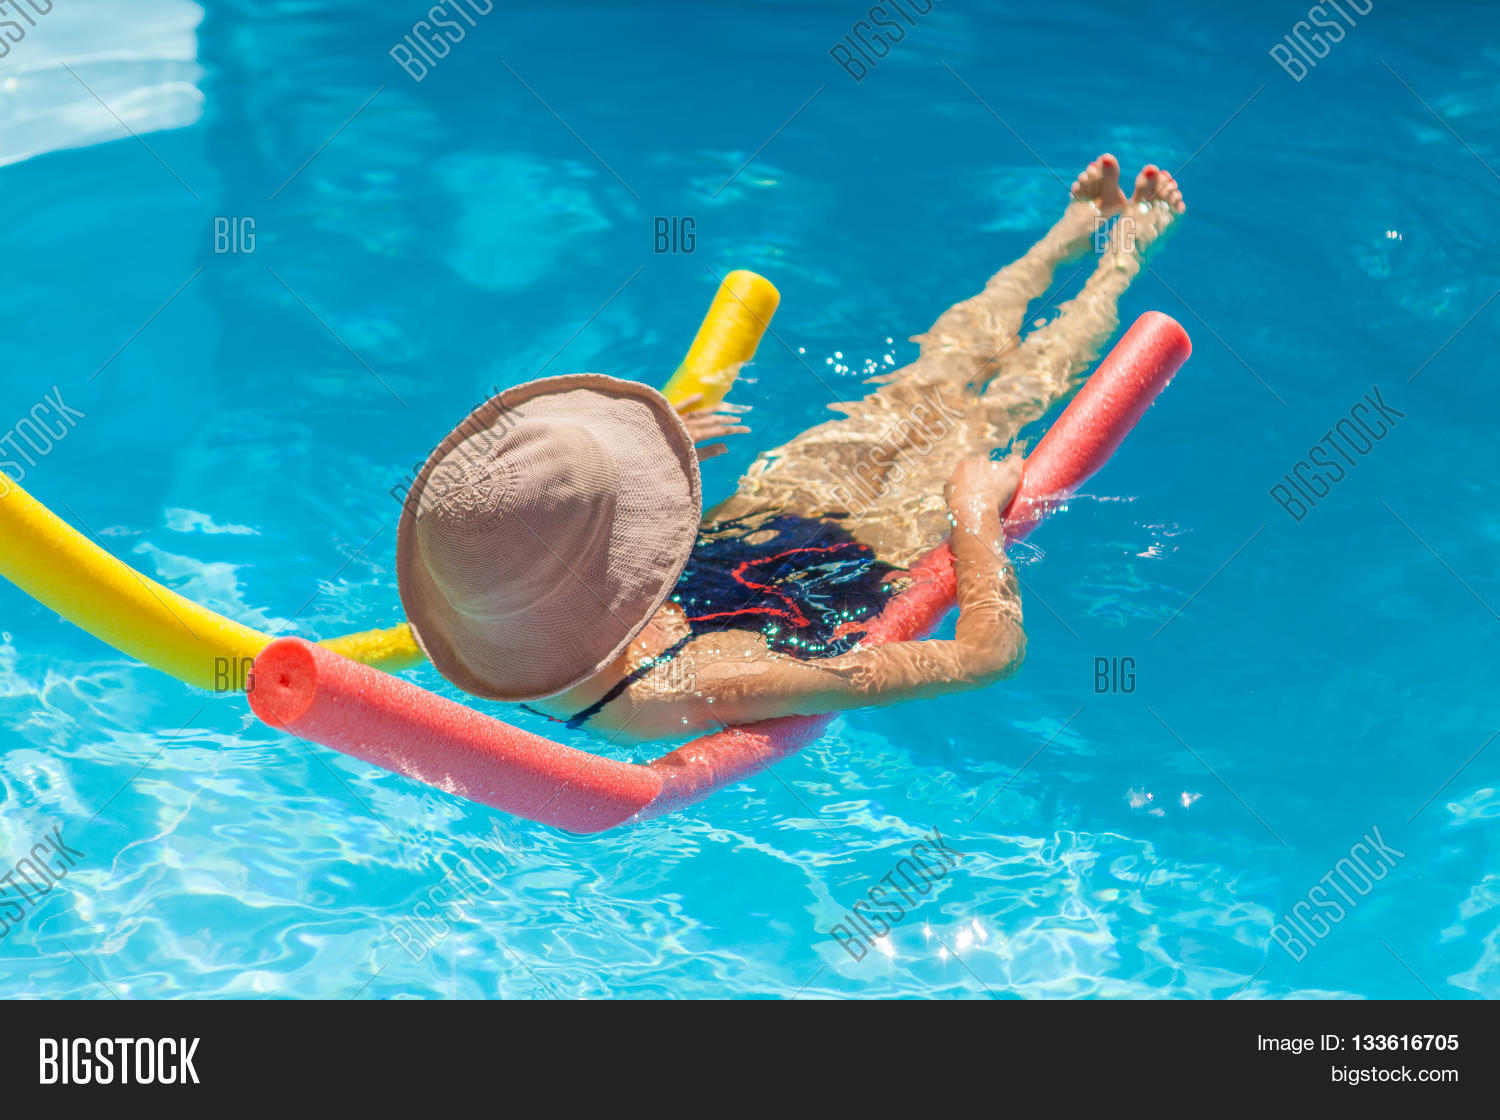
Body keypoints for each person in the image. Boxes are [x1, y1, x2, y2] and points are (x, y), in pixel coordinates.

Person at [396, 155, 1184, 744]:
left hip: (769, 512)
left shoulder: (479, 588)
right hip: (870, 552)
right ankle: (1122, 256)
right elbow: (985, 657)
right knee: (1014, 395)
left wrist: (659, 457)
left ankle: (1065, 233)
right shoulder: (697, 682)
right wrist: (973, 516)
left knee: (933, 371)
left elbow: (541, 535)